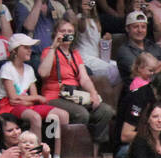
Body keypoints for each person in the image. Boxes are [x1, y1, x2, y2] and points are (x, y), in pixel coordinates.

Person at [37, 17, 113, 147]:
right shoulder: (48, 51)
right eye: (63, 31)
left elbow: (84, 78)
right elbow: (43, 73)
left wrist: (93, 94)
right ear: (56, 33)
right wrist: (53, 48)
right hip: (54, 95)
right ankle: (72, 151)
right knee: (81, 114)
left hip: (73, 95)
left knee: (105, 110)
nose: (67, 34)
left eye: (70, 31)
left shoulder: (75, 54)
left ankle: (94, 148)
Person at [0, 32, 70, 147]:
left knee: (63, 114)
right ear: (15, 50)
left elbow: (34, 98)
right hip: (9, 107)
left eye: (30, 47)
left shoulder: (29, 69)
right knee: (35, 117)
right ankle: (36, 155)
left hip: (27, 104)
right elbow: (13, 99)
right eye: (26, 47)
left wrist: (31, 99)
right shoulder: (7, 68)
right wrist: (36, 97)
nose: (30, 50)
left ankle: (58, 155)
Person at [116, 8, 161, 83]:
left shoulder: (152, 45)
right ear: (127, 29)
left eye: (143, 27)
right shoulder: (124, 51)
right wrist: (160, 64)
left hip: (159, 86)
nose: (140, 30)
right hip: (138, 90)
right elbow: (141, 72)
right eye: (136, 27)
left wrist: (152, 69)